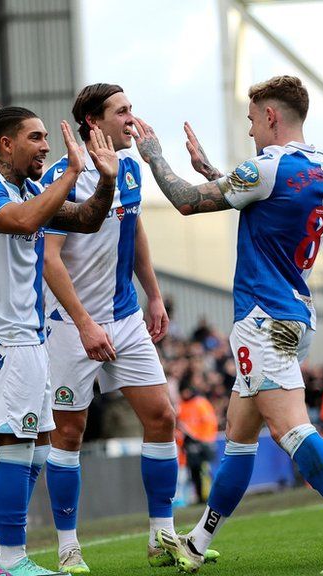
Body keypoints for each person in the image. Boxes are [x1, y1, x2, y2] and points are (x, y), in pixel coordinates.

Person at [134, 76, 323, 573]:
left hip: (263, 316)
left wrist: (154, 156)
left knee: (292, 430)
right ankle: (196, 543)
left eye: (252, 121)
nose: (251, 131)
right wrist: (213, 169)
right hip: (296, 311)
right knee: (240, 434)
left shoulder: (266, 166)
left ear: (271, 116)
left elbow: (188, 201)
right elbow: (264, 197)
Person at [39, 83, 209, 573]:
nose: (132, 119)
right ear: (94, 123)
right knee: (69, 433)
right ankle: (68, 549)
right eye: (122, 111)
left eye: (132, 109)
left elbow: (135, 233)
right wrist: (84, 323)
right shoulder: (63, 176)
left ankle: (162, 537)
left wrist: (153, 295)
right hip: (72, 325)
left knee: (162, 418)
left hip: (126, 316)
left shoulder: (131, 169)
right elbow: (49, 259)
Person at [0, 105, 118, 576]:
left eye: (47, 138)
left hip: (29, 335)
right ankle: (10, 559)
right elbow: (24, 223)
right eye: (36, 137)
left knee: (39, 445)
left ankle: (0, 551)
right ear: (7, 143)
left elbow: (87, 219)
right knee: (15, 442)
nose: (46, 146)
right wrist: (70, 172)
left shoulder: (27, 188)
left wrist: (104, 179)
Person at [178, 383, 218, 505]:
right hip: (190, 443)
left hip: (202, 442)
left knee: (204, 470)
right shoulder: (182, 406)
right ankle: (201, 496)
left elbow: (209, 422)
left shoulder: (199, 403)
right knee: (195, 471)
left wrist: (204, 439)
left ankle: (210, 495)